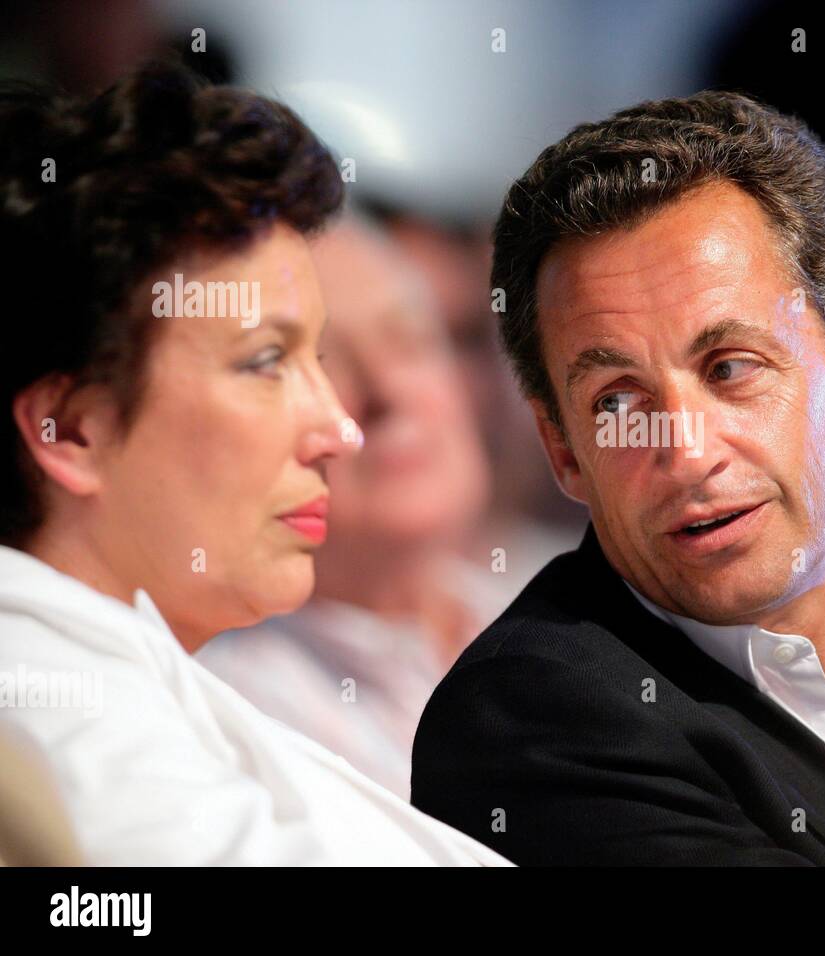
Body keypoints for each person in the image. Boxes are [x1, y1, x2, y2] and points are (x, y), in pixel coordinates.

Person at [412, 91, 825, 866]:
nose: (686, 452)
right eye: (617, 401)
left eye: (729, 368)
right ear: (561, 447)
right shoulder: (535, 718)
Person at [0, 61, 507, 865]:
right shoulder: (56, 707)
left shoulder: (130, 681)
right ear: (72, 431)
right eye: (267, 360)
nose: (338, 428)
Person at [200, 216, 501, 798]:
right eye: (323, 364)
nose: (388, 389)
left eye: (410, 341)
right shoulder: (233, 721)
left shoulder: (574, 622)